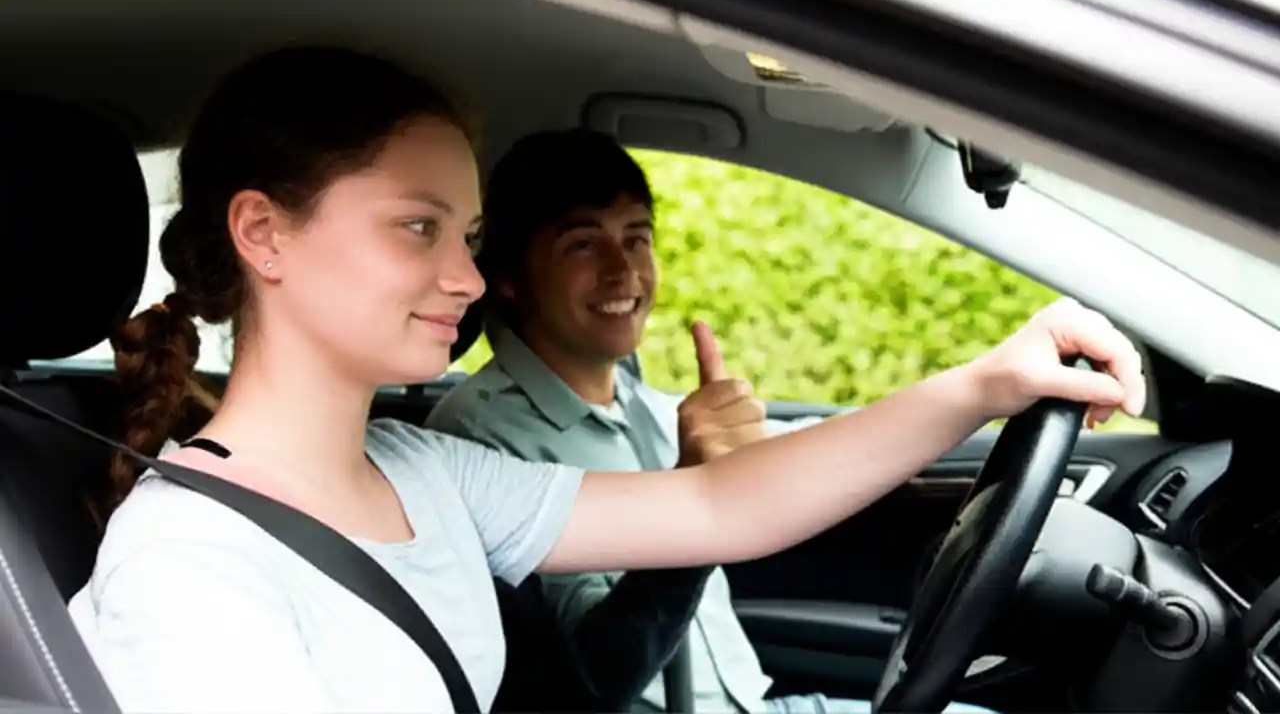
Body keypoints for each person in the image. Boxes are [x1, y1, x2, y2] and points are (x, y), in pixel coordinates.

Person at [67, 45, 1145, 714]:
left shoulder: (420, 472)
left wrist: (983, 383)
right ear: (263, 233)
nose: (465, 275)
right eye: (415, 229)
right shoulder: (187, 571)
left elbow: (721, 503)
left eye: (471, 234)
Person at [426, 129, 987, 714]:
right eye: (583, 246)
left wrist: (985, 397)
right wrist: (699, 488)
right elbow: (594, 678)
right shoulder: (478, 441)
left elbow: (816, 457)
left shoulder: (645, 405)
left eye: (637, 240)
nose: (625, 271)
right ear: (511, 278)